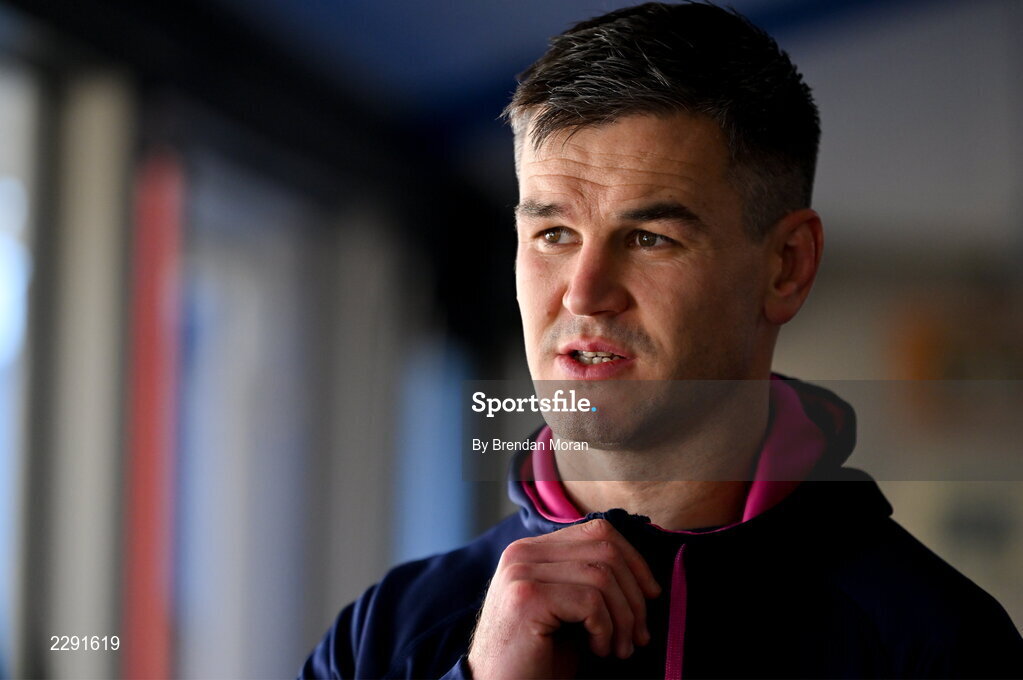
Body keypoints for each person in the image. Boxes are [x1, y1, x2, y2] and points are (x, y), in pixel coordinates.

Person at [299, 3, 1023, 678]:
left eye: (648, 238)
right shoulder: (383, 636)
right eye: (552, 233)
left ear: (785, 267)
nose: (582, 292)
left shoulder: (937, 643)